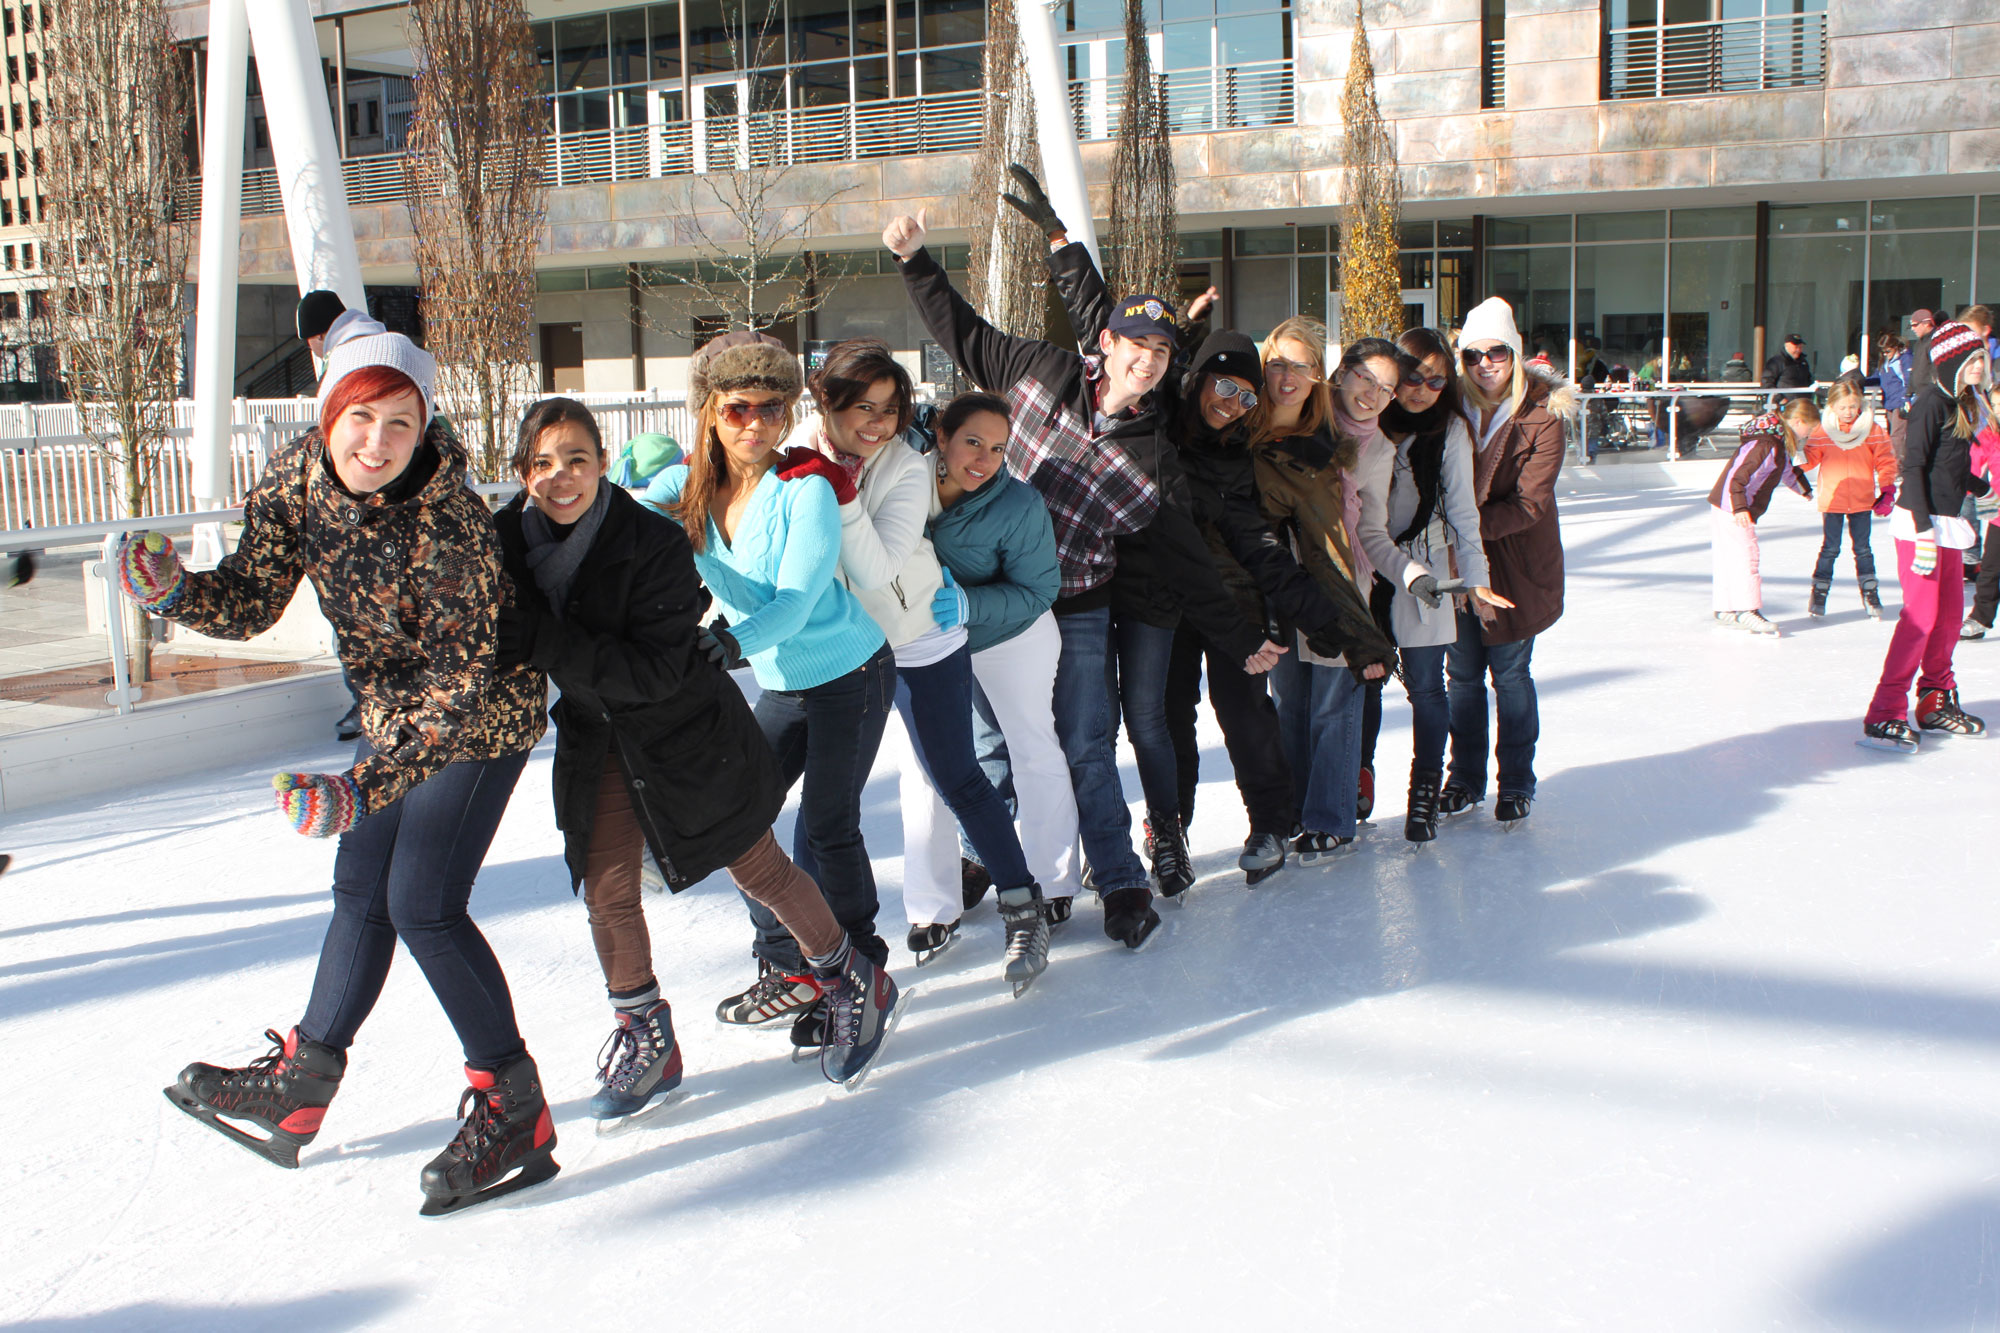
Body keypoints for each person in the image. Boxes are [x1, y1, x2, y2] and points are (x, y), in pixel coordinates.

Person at [125, 331, 558, 1217]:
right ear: (329, 415)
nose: (378, 441)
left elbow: (457, 686)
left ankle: (517, 1111)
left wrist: (361, 787)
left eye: (402, 421)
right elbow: (251, 595)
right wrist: (175, 591)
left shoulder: (452, 525)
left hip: (475, 718)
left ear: (424, 426)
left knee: (423, 905)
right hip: (394, 715)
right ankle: (302, 1079)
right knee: (359, 886)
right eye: (361, 415)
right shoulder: (298, 479)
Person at [495, 397, 902, 1104]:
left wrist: (543, 640)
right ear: (522, 471)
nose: (561, 477)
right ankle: (647, 1035)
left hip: (685, 731)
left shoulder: (649, 541)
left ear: (601, 465)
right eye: (542, 463)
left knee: (760, 867)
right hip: (599, 738)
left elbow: (655, 670)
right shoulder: (508, 537)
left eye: (578, 460)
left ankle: (850, 978)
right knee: (608, 888)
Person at [887, 188, 1208, 950]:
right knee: (987, 741)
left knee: (1083, 741)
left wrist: (1239, 626)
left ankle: (1119, 878)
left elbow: (1184, 548)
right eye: (1138, 345)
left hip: (1078, 603)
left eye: (1163, 352)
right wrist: (913, 260)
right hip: (986, 593)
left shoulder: (1154, 444)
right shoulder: (1037, 369)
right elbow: (963, 333)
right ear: (1106, 342)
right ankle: (981, 860)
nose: (1149, 360)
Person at [642, 332, 900, 1047]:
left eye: (772, 408)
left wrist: (728, 642)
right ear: (709, 413)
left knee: (826, 822)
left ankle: (861, 970)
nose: (755, 423)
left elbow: (793, 598)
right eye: (737, 409)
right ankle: (786, 966)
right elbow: (627, 519)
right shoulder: (687, 483)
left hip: (850, 671)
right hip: (786, 683)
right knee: (736, 818)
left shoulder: (806, 487)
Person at [784, 339, 1050, 992]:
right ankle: (806, 954)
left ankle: (1023, 904)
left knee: (956, 775)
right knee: (825, 800)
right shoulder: (794, 447)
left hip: (918, 640)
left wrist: (836, 490)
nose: (876, 422)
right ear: (827, 399)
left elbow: (875, 563)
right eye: (862, 406)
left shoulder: (903, 466)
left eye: (890, 408)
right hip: (841, 648)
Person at [1031, 228, 1289, 895]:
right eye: (1217, 386)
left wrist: (1237, 632)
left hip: (1152, 594)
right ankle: (1091, 840)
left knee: (1149, 717)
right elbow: (1104, 323)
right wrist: (1065, 251)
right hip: (1089, 589)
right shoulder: (1155, 389)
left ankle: (1166, 833)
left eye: (1242, 396)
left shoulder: (1183, 442)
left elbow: (1186, 545)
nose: (1223, 403)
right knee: (1085, 725)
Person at [916, 390, 1075, 982]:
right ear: (942, 436)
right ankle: (933, 902)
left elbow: (1039, 592)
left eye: (998, 448)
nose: (983, 460)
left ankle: (1055, 881)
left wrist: (968, 603)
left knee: (1032, 748)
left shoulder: (1019, 503)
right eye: (972, 443)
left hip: (1013, 636)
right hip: (931, 641)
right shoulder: (908, 477)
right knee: (932, 768)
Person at [1356, 327, 1515, 843]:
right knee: (1365, 682)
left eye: (1436, 381)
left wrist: (1476, 580)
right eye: (1412, 377)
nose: (1421, 390)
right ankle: (1358, 777)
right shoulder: (1368, 419)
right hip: (1363, 568)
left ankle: (1424, 789)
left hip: (1422, 570)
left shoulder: (1448, 431)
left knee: (1426, 686)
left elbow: (1466, 514)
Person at [1248, 320, 1396, 862]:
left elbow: (1373, 529)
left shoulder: (1376, 449)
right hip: (1283, 580)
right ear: (1339, 375)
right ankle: (1295, 807)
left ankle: (1330, 816)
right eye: (1363, 378)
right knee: (1289, 699)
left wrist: (1405, 576)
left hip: (1339, 580)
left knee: (1334, 702)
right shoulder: (1305, 422)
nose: (1370, 394)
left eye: (1384, 387)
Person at [1443, 296, 1575, 828]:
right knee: (1463, 675)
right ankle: (1465, 778)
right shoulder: (1448, 404)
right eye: (1473, 355)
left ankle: (1517, 780)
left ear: (1515, 354)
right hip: (1455, 564)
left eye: (1496, 352)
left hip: (1516, 565)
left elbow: (1528, 503)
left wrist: (1458, 529)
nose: (1485, 365)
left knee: (1511, 675)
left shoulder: (1543, 416)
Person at [1862, 321, 1992, 750]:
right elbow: (1914, 466)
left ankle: (1936, 698)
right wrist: (1920, 530)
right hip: (1922, 524)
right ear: (1952, 360)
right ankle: (1885, 711)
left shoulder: (1962, 402)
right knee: (1920, 617)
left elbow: (1948, 464)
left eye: (1981, 358)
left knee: (1950, 616)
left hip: (1949, 524)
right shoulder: (1931, 403)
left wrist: (1978, 487)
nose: (1979, 365)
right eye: (1971, 358)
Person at [1709, 399, 1818, 634]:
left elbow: (1788, 471)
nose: (1807, 436)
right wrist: (1740, 507)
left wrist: (1804, 489)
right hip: (1734, 507)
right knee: (1748, 557)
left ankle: (1725, 608)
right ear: (1798, 422)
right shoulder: (1765, 444)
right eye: (1808, 430)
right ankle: (1748, 610)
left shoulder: (1776, 441)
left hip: (1728, 504)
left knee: (1730, 557)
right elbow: (1738, 476)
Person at [1799, 378, 1896, 619]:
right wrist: (1793, 453)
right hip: (1833, 498)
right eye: (1842, 407)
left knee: (1863, 549)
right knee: (1830, 548)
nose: (1848, 412)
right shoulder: (1823, 432)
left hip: (1863, 499)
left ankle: (1870, 592)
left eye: (1853, 407)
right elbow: (1809, 459)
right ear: (1832, 406)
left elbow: (1885, 461)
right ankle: (1820, 591)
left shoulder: (1873, 430)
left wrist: (1887, 489)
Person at [1905, 310, 1939, 404]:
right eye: (1911, 326)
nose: (1912, 329)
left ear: (1926, 323)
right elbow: (1915, 369)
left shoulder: (1936, 342)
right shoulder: (1919, 343)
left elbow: (1936, 371)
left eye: (1915, 325)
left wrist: (1932, 392)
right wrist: (1908, 393)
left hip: (1930, 395)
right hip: (1917, 394)